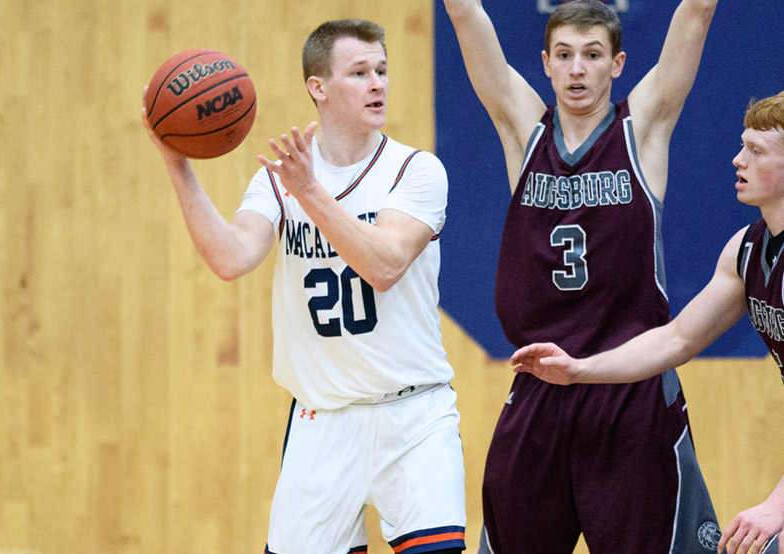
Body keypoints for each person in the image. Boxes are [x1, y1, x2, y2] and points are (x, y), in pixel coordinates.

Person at [143, 19, 467, 554]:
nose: (377, 84)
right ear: (318, 87)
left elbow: (384, 265)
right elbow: (230, 257)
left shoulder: (417, 170)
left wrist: (311, 193)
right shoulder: (279, 178)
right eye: (359, 72)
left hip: (414, 415)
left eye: (382, 71)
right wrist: (176, 161)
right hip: (323, 418)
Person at [443, 0, 721, 552]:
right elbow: (465, 16)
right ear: (544, 63)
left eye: (593, 55)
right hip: (542, 386)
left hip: (630, 387)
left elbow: (696, 13)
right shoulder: (524, 129)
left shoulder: (641, 129)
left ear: (617, 65)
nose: (577, 69)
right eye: (565, 55)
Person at [511, 91, 784, 554]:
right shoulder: (746, 249)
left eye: (756, 151)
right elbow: (676, 340)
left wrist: (777, 504)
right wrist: (580, 369)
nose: (737, 159)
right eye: (742, 145)